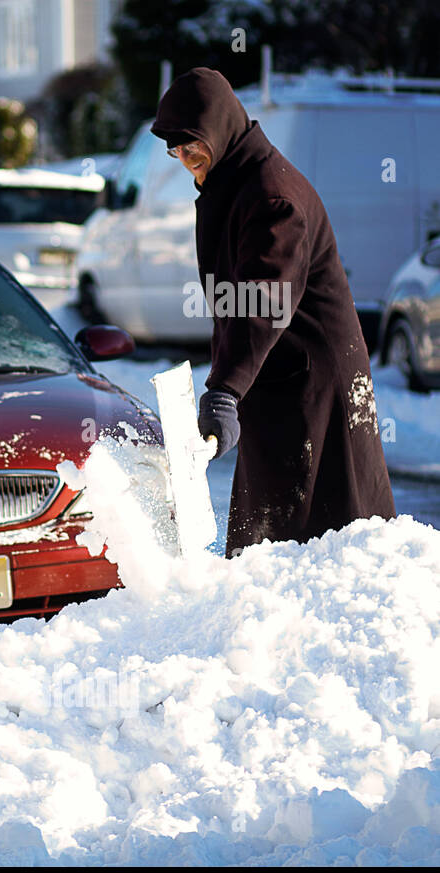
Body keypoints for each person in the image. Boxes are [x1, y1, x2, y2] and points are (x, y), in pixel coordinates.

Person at [150, 67, 395, 555]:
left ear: (219, 129)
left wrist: (225, 389)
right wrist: (227, 382)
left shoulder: (271, 196)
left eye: (191, 146)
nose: (184, 160)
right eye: (175, 150)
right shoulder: (237, 179)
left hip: (312, 387)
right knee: (275, 538)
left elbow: (260, 301)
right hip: (280, 378)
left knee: (318, 537)